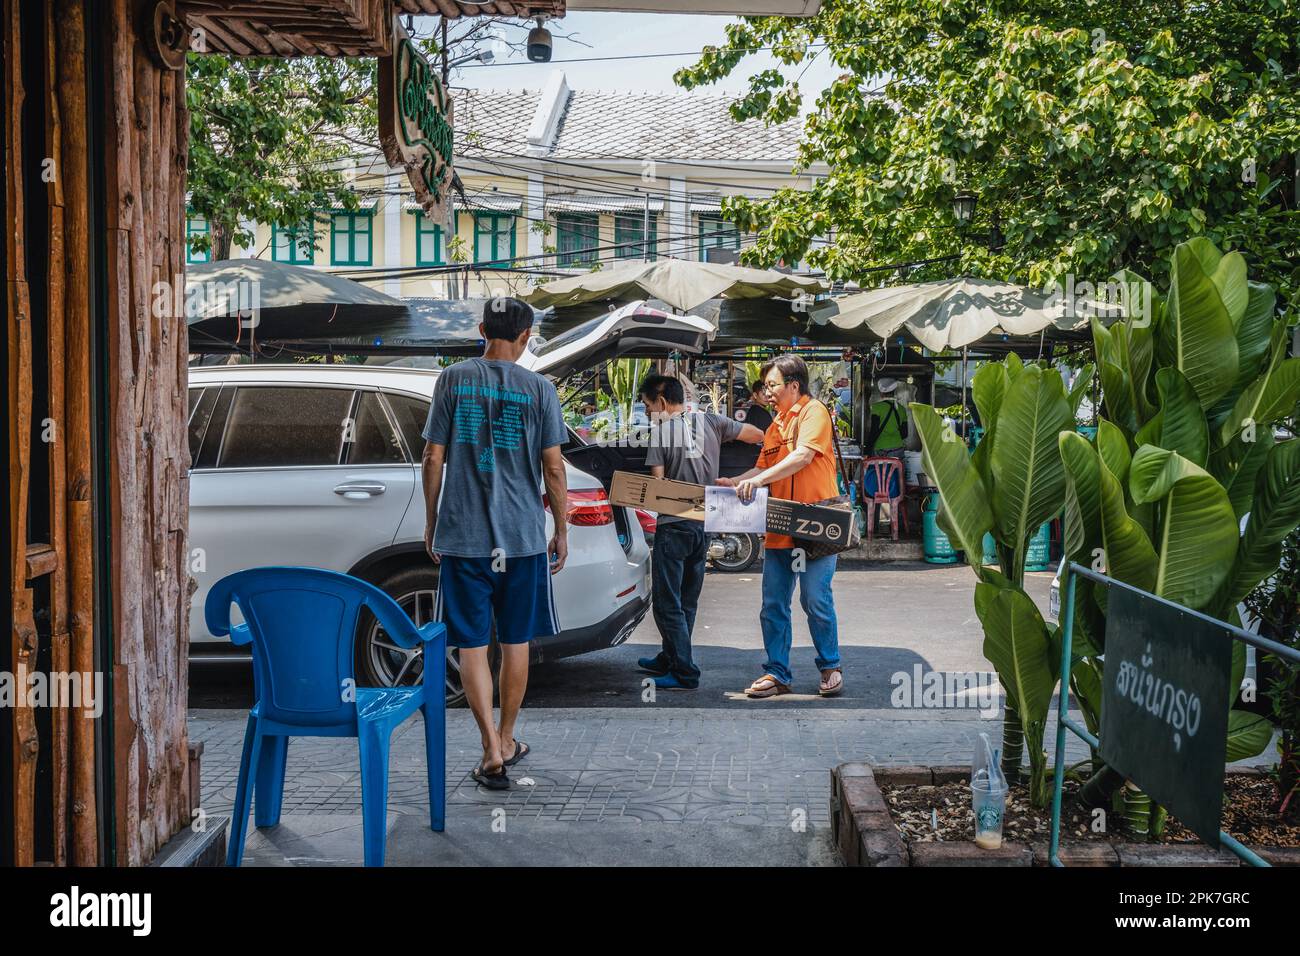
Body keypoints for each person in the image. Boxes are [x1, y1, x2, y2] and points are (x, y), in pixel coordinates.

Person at [421, 297, 568, 790]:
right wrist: (561, 529)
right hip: (522, 539)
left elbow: (433, 457)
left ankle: (488, 750)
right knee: (516, 641)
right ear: (527, 336)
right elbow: (553, 466)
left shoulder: (453, 379)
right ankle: (507, 738)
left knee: (471, 645)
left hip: (464, 539)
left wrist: (431, 520)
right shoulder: (541, 388)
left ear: (482, 329)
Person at [718, 354, 844, 698]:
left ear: (794, 385)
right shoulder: (775, 426)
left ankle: (830, 667)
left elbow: (802, 456)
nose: (766, 392)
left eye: (772, 385)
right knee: (773, 603)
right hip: (779, 528)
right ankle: (777, 673)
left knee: (815, 599)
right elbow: (760, 469)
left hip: (815, 525)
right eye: (765, 386)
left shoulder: (813, 412)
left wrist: (757, 484)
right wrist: (735, 481)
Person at [638, 373, 764, 688]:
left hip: (674, 524)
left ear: (662, 402)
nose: (646, 413)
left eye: (646, 405)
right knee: (687, 599)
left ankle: (684, 672)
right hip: (706, 523)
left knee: (667, 603)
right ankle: (670, 657)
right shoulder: (712, 421)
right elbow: (756, 434)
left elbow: (658, 485)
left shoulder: (661, 432)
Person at [719, 380, 773, 476]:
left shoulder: (756, 411)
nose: (766, 397)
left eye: (768, 393)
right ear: (755, 395)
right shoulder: (759, 412)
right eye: (763, 394)